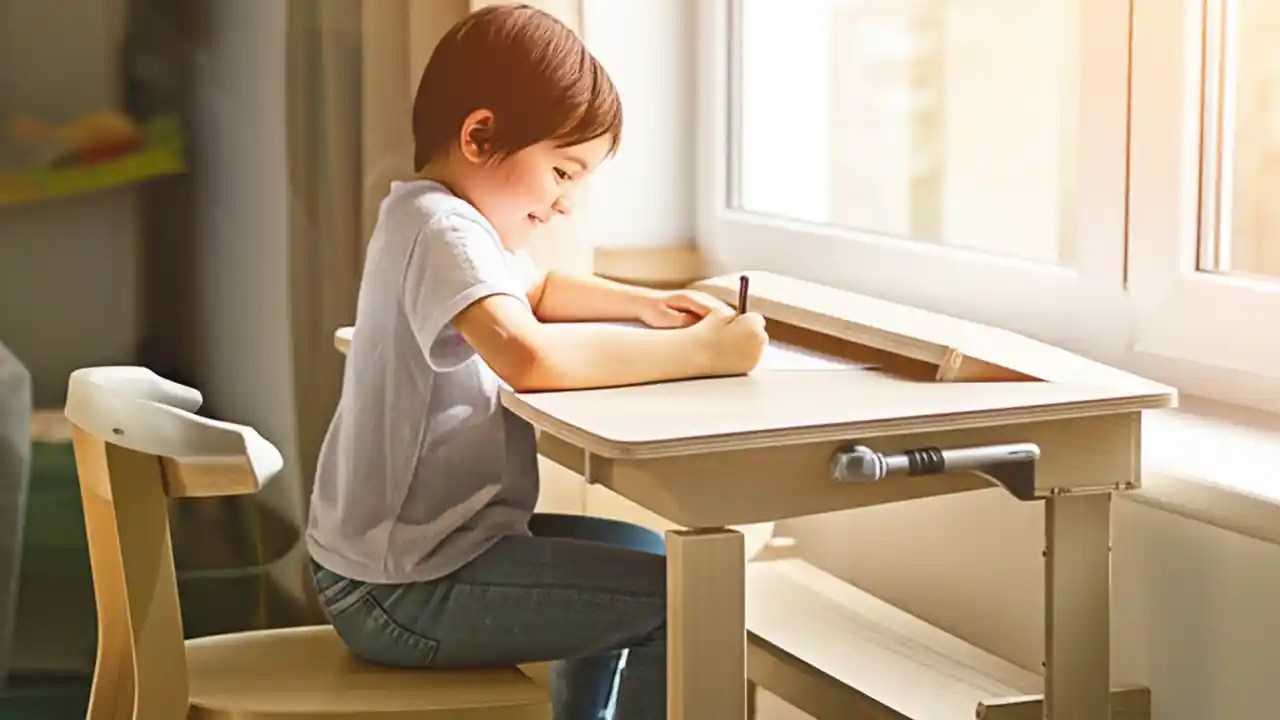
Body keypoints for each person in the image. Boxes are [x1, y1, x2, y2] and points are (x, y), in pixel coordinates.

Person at [305, 4, 767, 718]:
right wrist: (699, 352)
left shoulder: (438, 217)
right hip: (404, 590)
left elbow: (542, 289)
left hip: (396, 564)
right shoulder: (442, 230)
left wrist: (647, 304)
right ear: (480, 136)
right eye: (561, 172)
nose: (563, 205)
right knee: (680, 600)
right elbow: (527, 355)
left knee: (652, 558)